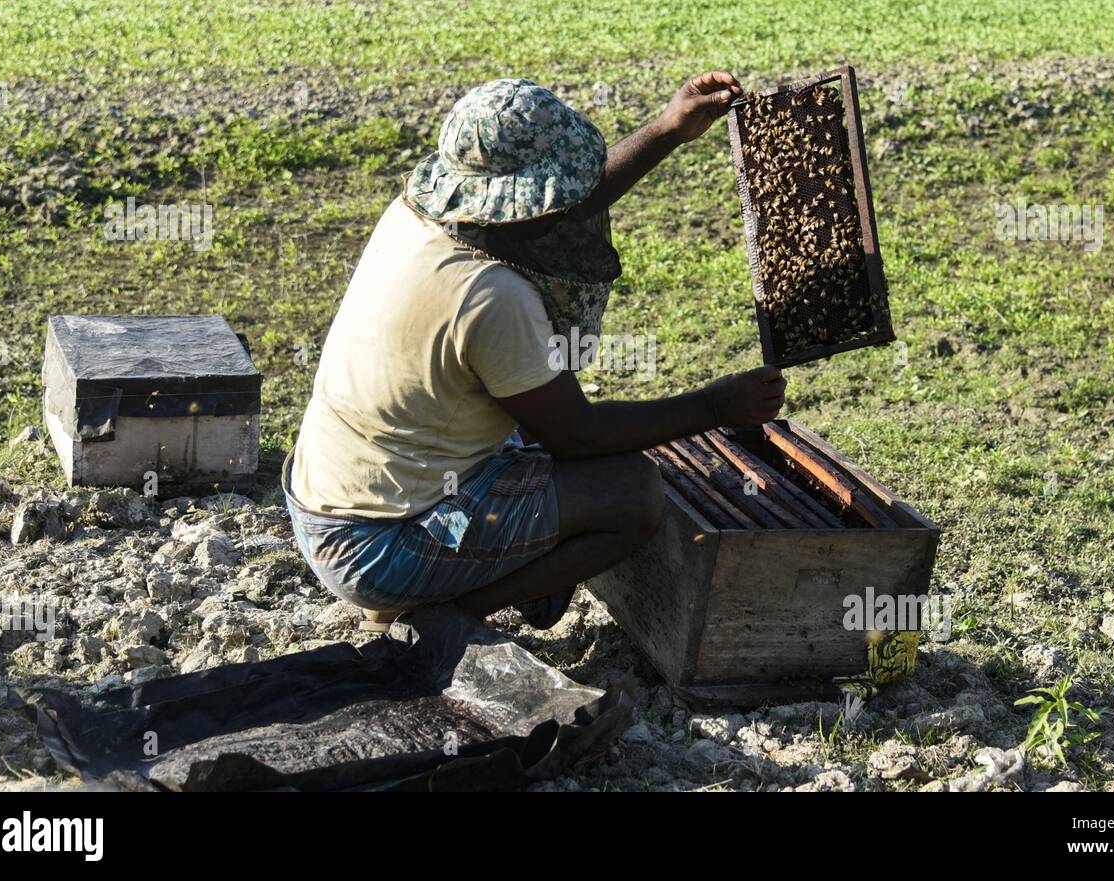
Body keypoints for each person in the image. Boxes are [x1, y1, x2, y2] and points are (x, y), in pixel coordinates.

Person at [284, 71, 785, 631]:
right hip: (379, 548)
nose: (564, 204)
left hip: (328, 502)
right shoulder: (491, 296)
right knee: (631, 493)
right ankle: (446, 616)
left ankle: (440, 587)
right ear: (525, 202)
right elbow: (578, 435)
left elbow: (564, 203)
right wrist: (715, 408)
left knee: (538, 419)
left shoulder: (416, 216)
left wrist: (669, 129)